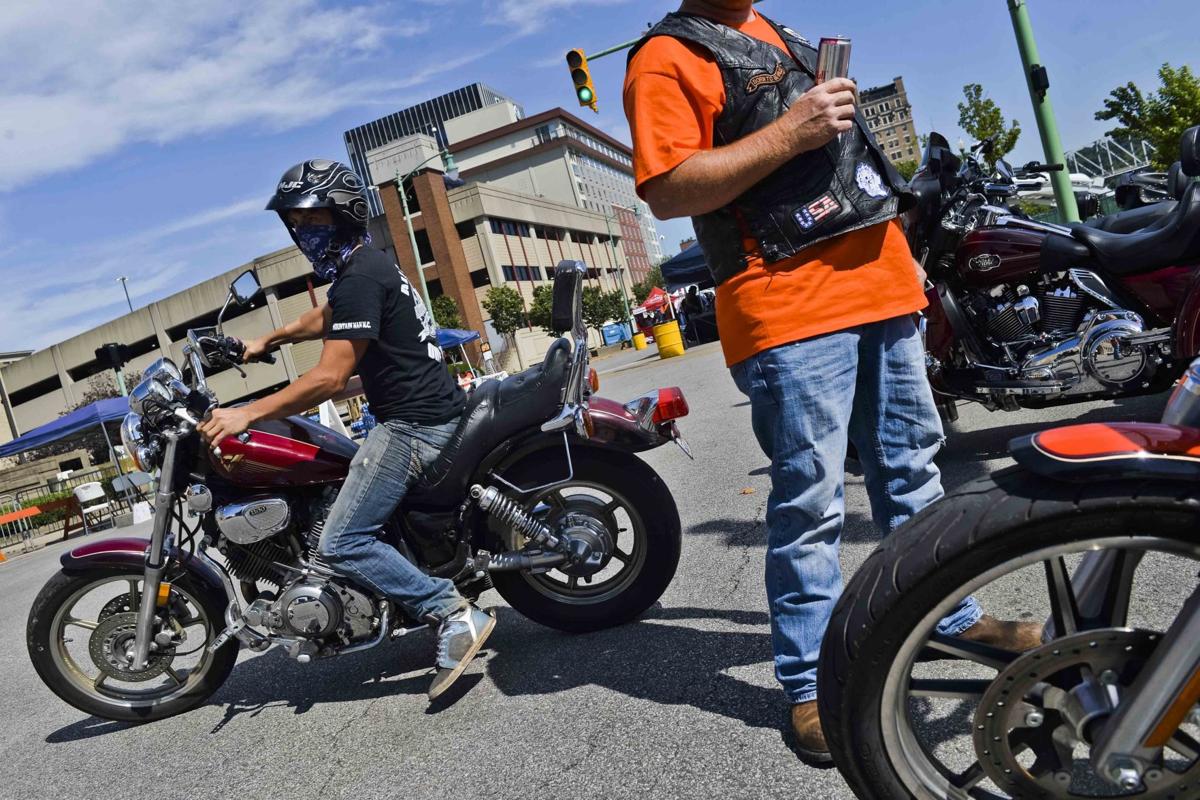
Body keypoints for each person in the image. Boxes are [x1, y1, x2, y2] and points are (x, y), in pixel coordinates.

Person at [623, 2, 1042, 764]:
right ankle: (813, 684)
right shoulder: (666, 56)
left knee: (913, 474)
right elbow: (670, 188)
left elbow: (851, 163)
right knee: (810, 500)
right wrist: (793, 129)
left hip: (881, 287)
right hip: (787, 308)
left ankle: (948, 615)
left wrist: (903, 256)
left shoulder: (777, 34)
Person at [197, 159, 495, 700]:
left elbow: (330, 377)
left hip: (413, 426)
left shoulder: (359, 276)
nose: (303, 232)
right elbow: (324, 316)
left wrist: (247, 412)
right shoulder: (365, 267)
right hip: (424, 412)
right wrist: (269, 338)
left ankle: (450, 612)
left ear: (343, 215)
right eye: (295, 223)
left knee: (341, 540)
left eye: (312, 220)